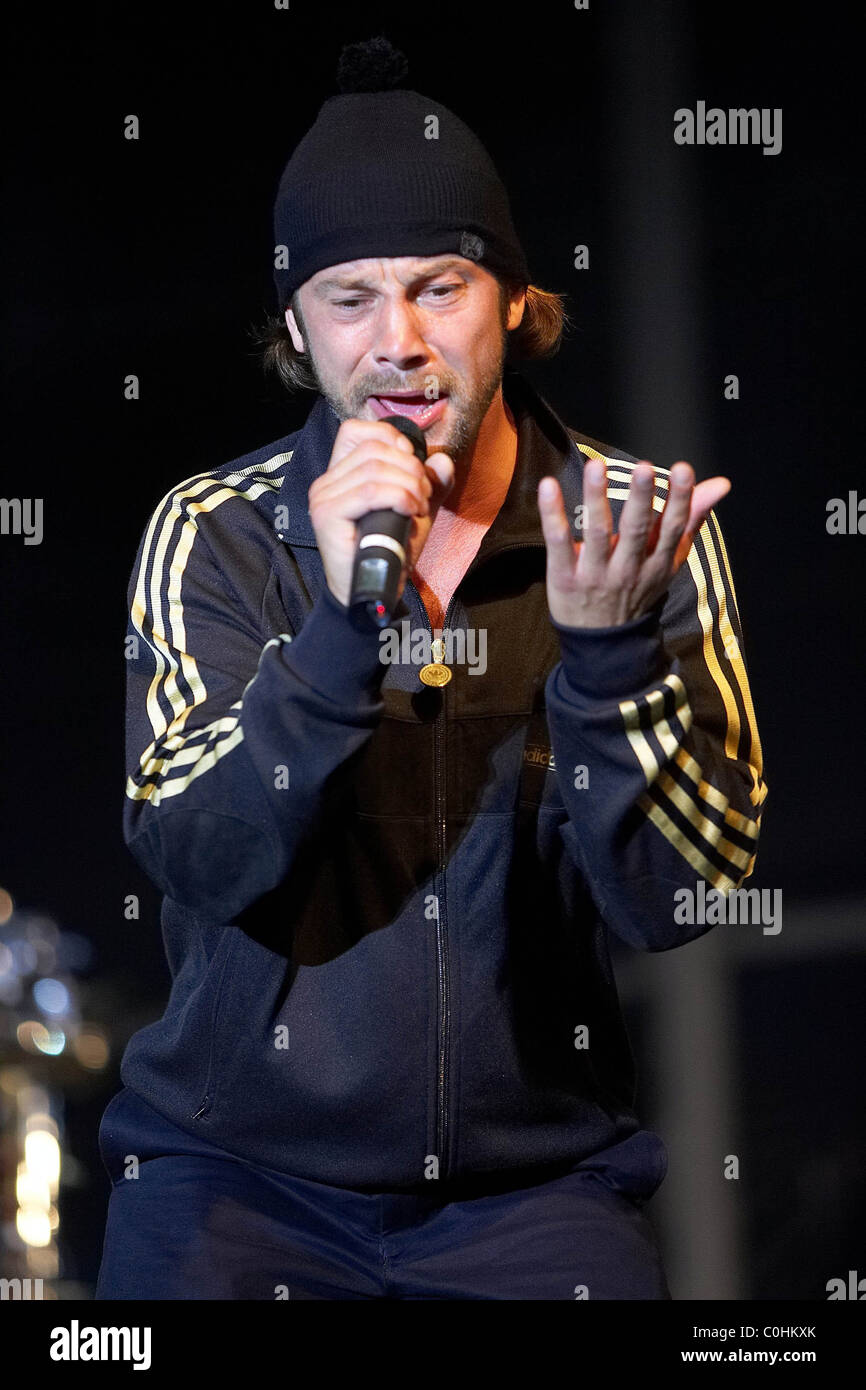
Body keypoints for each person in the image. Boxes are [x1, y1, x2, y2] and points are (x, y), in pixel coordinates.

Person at [95, 37, 766, 1300]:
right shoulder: (221, 531)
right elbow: (198, 849)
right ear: (296, 323)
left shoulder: (630, 526)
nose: (396, 343)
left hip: (534, 1197)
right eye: (349, 298)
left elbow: (684, 894)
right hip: (231, 1183)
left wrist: (608, 656)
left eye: (438, 286)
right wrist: (345, 631)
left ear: (513, 298)